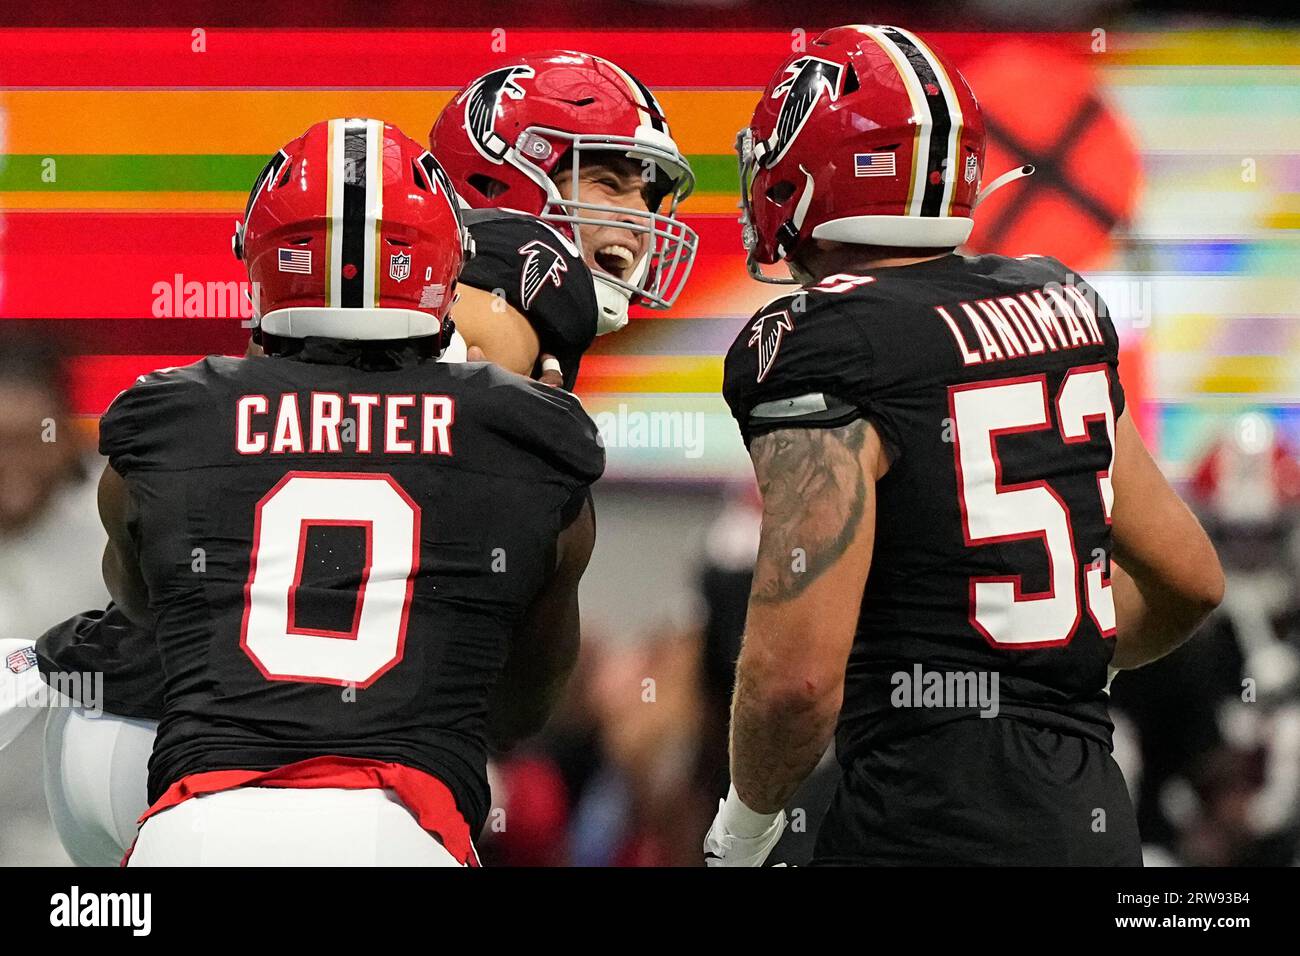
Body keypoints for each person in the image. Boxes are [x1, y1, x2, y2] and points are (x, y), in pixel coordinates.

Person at [19, 47, 697, 867]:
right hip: (209, 736)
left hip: (169, 745)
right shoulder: (490, 326)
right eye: (613, 180)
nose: (639, 212)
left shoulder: (427, 306)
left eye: (647, 188)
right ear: (496, 185)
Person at [704, 25, 1224, 866]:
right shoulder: (1059, 305)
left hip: (923, 820)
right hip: (1091, 821)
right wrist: (1050, 664)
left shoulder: (819, 339)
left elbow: (795, 681)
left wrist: (744, 829)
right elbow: (1192, 580)